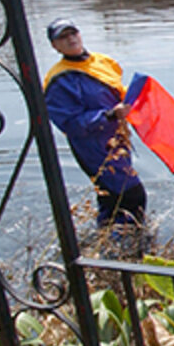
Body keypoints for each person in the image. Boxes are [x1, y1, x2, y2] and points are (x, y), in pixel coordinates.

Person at [43, 18, 147, 228]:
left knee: (111, 198)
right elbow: (70, 124)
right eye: (63, 36)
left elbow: (115, 92)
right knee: (132, 195)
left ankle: (106, 243)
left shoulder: (102, 62)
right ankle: (124, 245)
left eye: (73, 33)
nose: (71, 39)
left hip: (117, 138)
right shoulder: (59, 80)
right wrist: (108, 115)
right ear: (54, 46)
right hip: (92, 146)